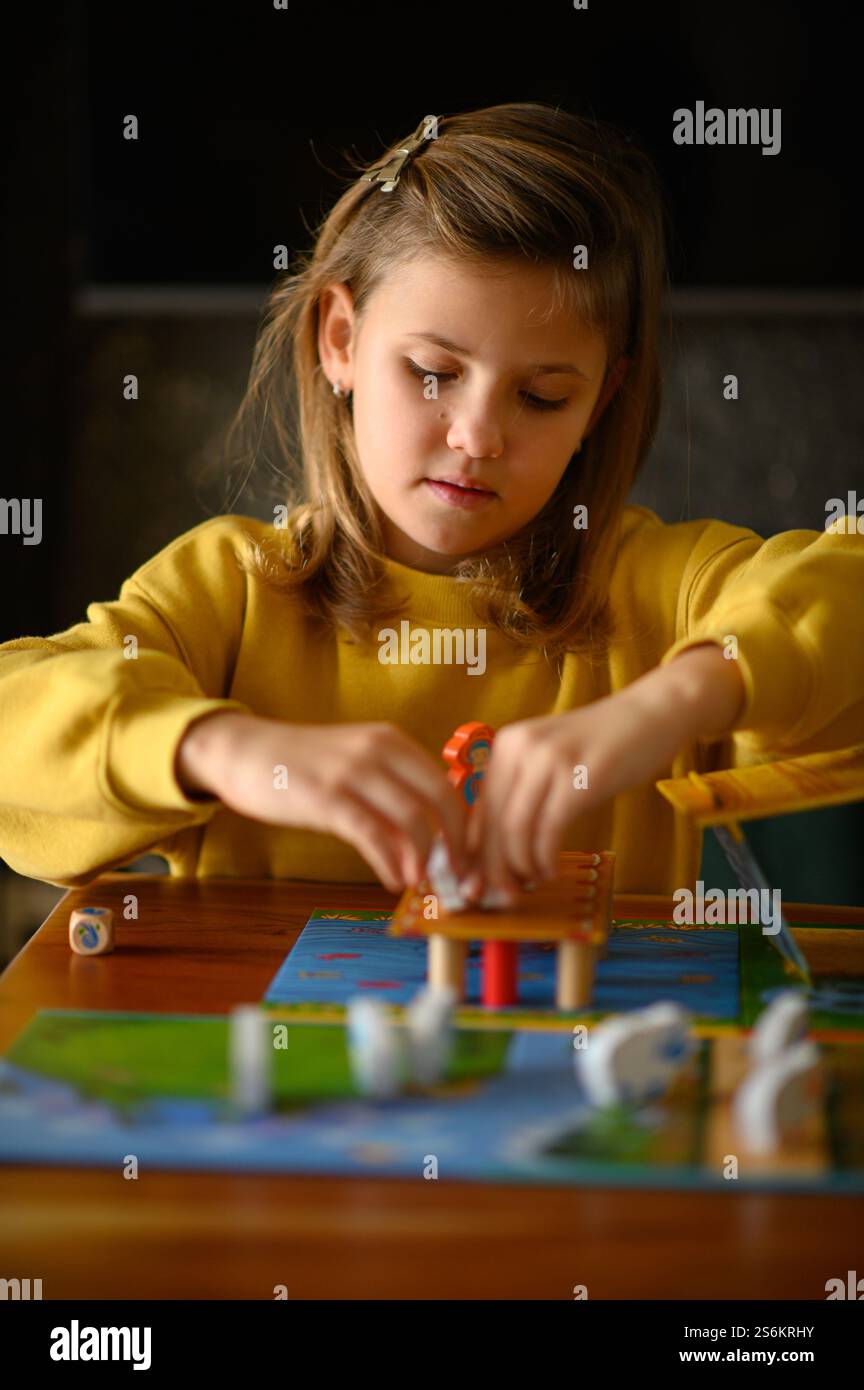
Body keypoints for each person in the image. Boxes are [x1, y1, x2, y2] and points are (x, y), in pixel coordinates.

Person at [1, 104, 862, 904]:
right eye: (434, 374)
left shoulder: (663, 589)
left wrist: (671, 702)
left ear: (600, 404)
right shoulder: (233, 585)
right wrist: (221, 748)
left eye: (544, 396)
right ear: (340, 340)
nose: (478, 436)